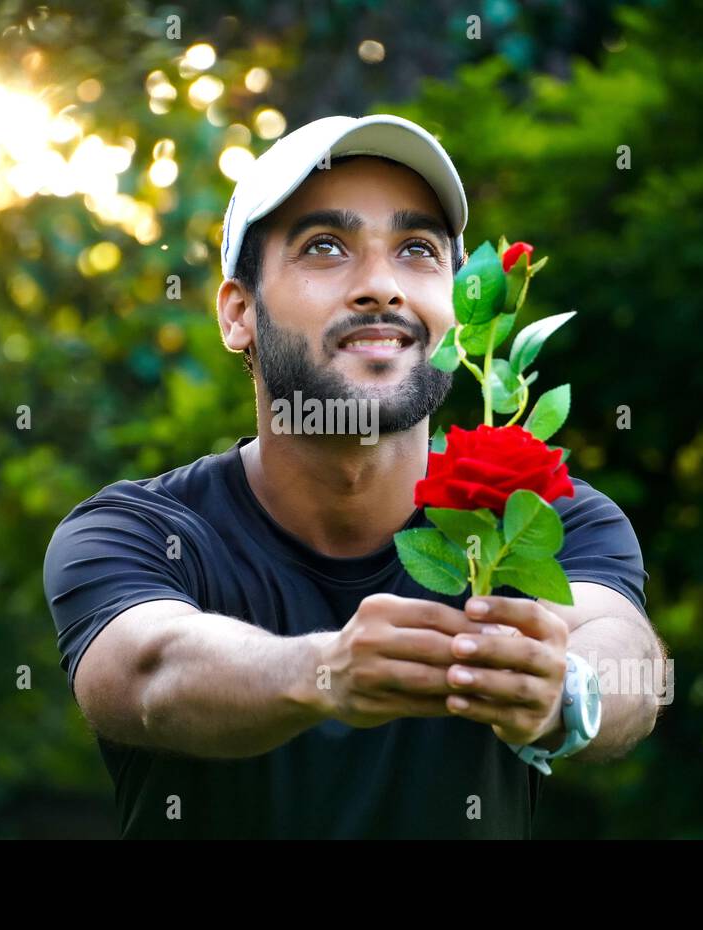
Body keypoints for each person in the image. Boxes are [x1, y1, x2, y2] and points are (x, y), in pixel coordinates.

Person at [44, 114, 665, 839]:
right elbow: (149, 673)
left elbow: (624, 651)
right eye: (326, 247)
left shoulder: (535, 514)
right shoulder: (136, 532)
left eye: (417, 251)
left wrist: (567, 692)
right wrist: (324, 671)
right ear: (239, 313)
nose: (381, 287)